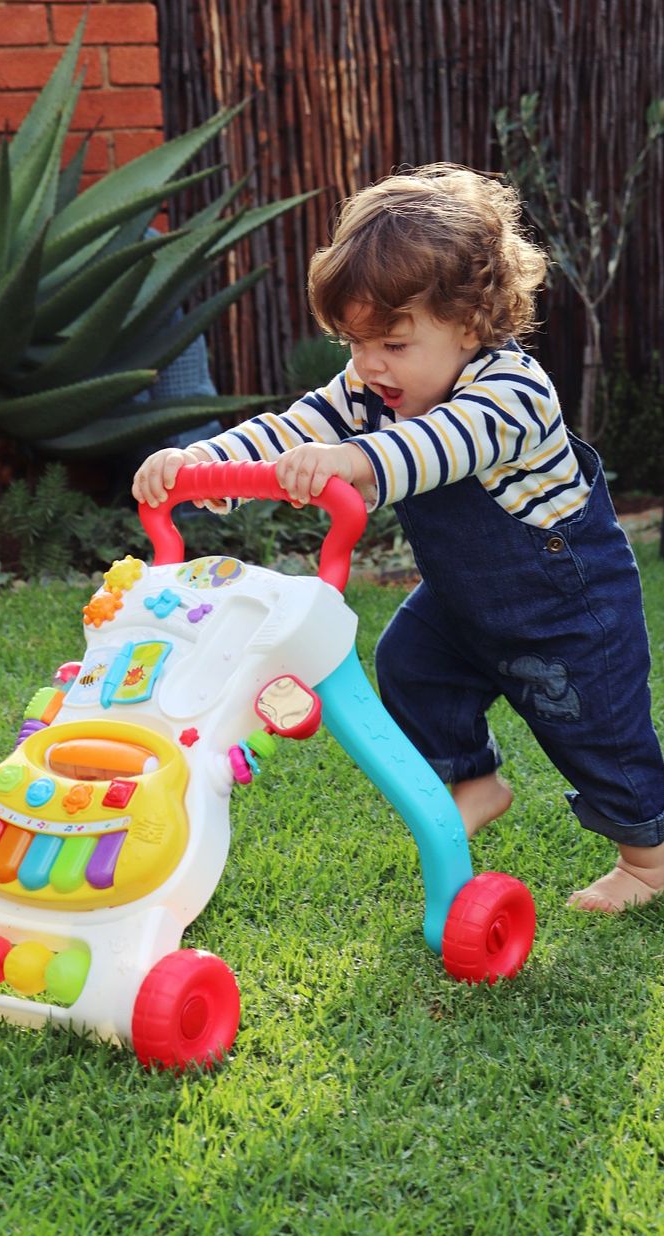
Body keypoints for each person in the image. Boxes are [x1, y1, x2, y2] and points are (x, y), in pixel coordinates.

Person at [133, 164, 664, 914]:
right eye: (354, 342)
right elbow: (290, 430)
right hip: (460, 598)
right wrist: (202, 464)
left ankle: (646, 859)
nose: (368, 364)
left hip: (564, 607)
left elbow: (442, 445)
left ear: (472, 323)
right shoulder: (368, 387)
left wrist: (353, 459)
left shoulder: (512, 392)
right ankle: (469, 782)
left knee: (595, 732)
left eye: (391, 341)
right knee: (408, 664)